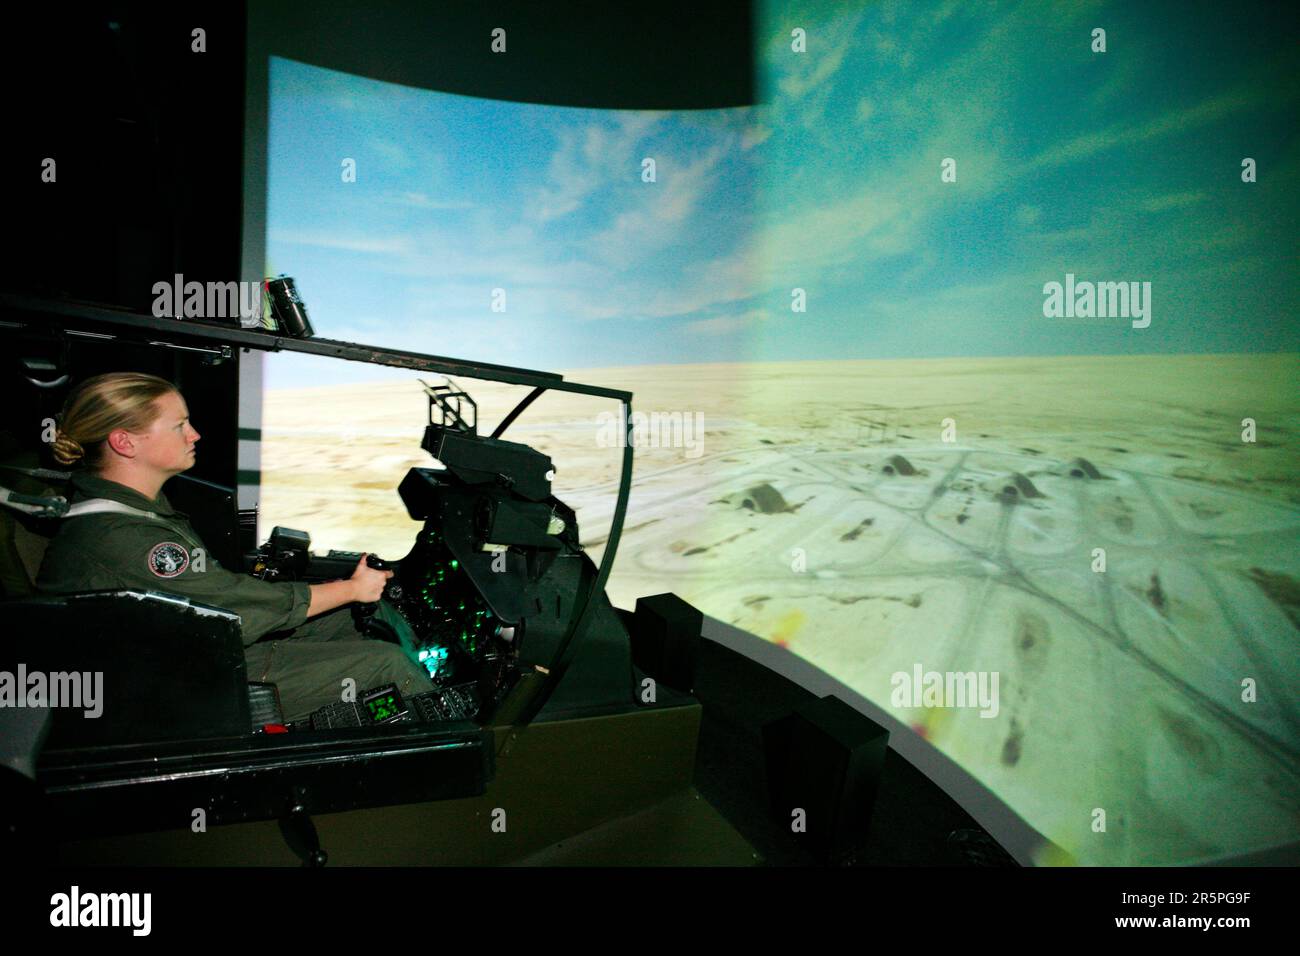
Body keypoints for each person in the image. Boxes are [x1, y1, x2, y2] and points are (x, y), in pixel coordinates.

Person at [35, 372, 431, 723]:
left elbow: (208, 593)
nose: (195, 435)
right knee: (388, 664)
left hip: (172, 652)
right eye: (179, 426)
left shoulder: (134, 509)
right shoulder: (122, 535)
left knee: (359, 616)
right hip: (172, 685)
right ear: (125, 442)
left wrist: (350, 599)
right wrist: (350, 588)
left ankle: (421, 671)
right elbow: (230, 610)